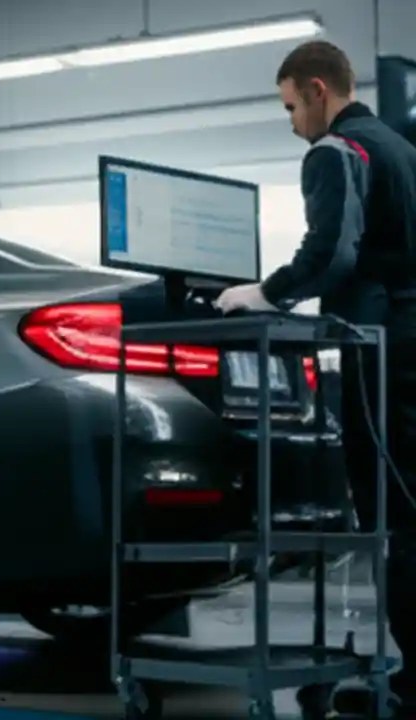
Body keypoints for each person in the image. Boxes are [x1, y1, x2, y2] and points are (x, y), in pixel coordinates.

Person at [216, 39, 416, 712]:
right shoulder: (401, 148)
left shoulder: (335, 151)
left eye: (290, 106)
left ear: (318, 92)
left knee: (394, 518)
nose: (293, 122)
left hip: (380, 351)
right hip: (411, 342)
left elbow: (329, 252)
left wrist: (267, 292)